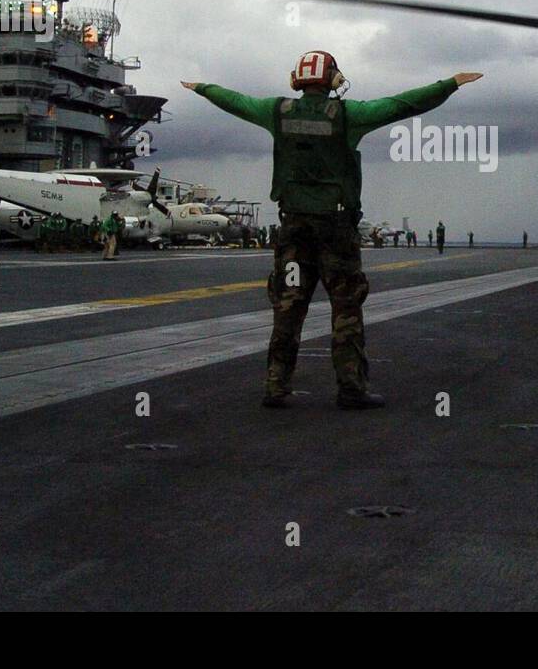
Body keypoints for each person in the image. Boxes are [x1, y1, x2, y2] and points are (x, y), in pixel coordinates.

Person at [184, 54, 482, 409]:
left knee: (288, 306)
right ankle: (351, 388)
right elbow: (402, 104)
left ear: (297, 79)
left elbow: (235, 101)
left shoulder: (276, 112)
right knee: (345, 306)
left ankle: (276, 386)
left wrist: (204, 88)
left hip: (294, 226)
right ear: (334, 79)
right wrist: (449, 84)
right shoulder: (347, 115)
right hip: (335, 229)